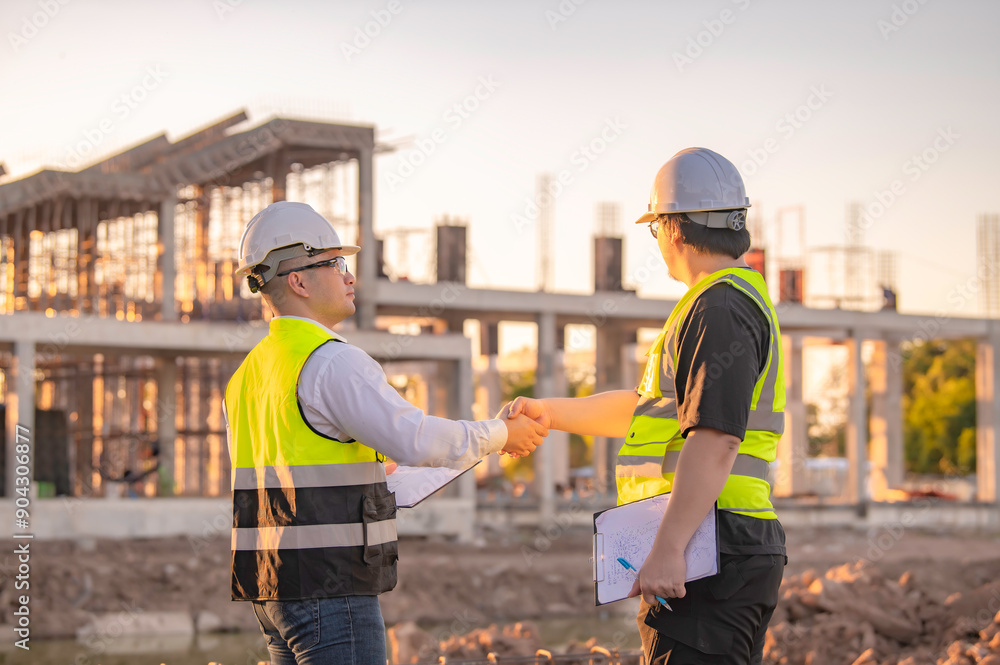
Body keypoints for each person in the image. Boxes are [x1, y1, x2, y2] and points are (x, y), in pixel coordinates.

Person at [224, 201, 548, 665]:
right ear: (297, 281)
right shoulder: (332, 361)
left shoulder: (246, 376)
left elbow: (300, 474)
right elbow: (413, 438)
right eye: (335, 263)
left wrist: (378, 475)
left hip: (271, 589)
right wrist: (500, 434)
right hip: (329, 590)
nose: (350, 276)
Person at [505, 148, 787, 664]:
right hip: (718, 539)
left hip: (712, 544)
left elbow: (716, 437)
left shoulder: (719, 307)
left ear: (674, 229)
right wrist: (550, 411)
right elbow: (647, 410)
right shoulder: (713, 303)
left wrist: (669, 547)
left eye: (655, 228)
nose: (657, 241)